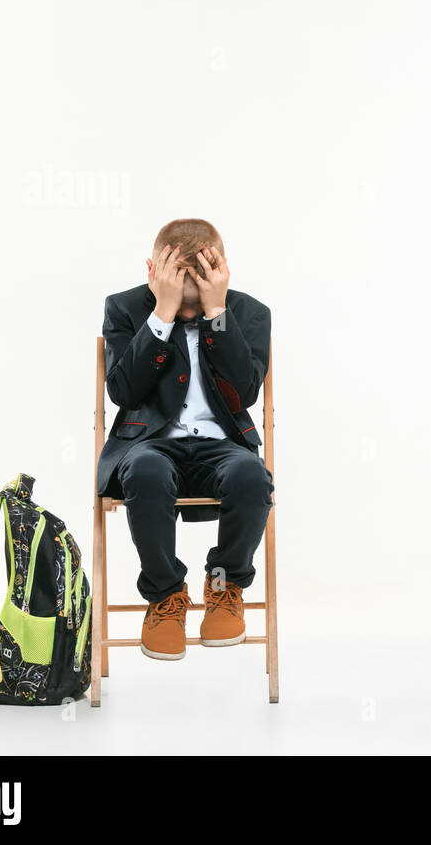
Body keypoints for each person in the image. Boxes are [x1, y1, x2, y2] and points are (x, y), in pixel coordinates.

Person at [97, 219, 274, 661]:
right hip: (152, 445)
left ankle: (223, 584)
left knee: (253, 476)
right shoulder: (125, 309)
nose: (188, 314)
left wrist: (217, 314)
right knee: (147, 469)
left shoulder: (249, 314)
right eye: (185, 305)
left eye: (196, 305)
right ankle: (164, 595)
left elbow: (245, 392)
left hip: (223, 446)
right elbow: (123, 392)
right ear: (153, 272)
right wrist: (163, 313)